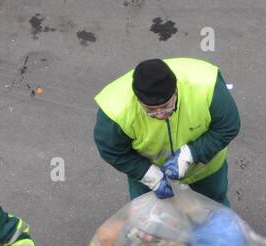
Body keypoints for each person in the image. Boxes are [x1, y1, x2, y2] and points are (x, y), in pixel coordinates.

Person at [93, 57, 241, 205]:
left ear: (176, 91)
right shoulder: (116, 112)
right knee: (150, 220)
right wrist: (148, 175)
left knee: (213, 211)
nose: (160, 114)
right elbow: (111, 150)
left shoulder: (206, 86)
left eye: (165, 106)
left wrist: (191, 153)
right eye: (150, 110)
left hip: (205, 170)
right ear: (137, 100)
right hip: (148, 171)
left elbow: (228, 126)